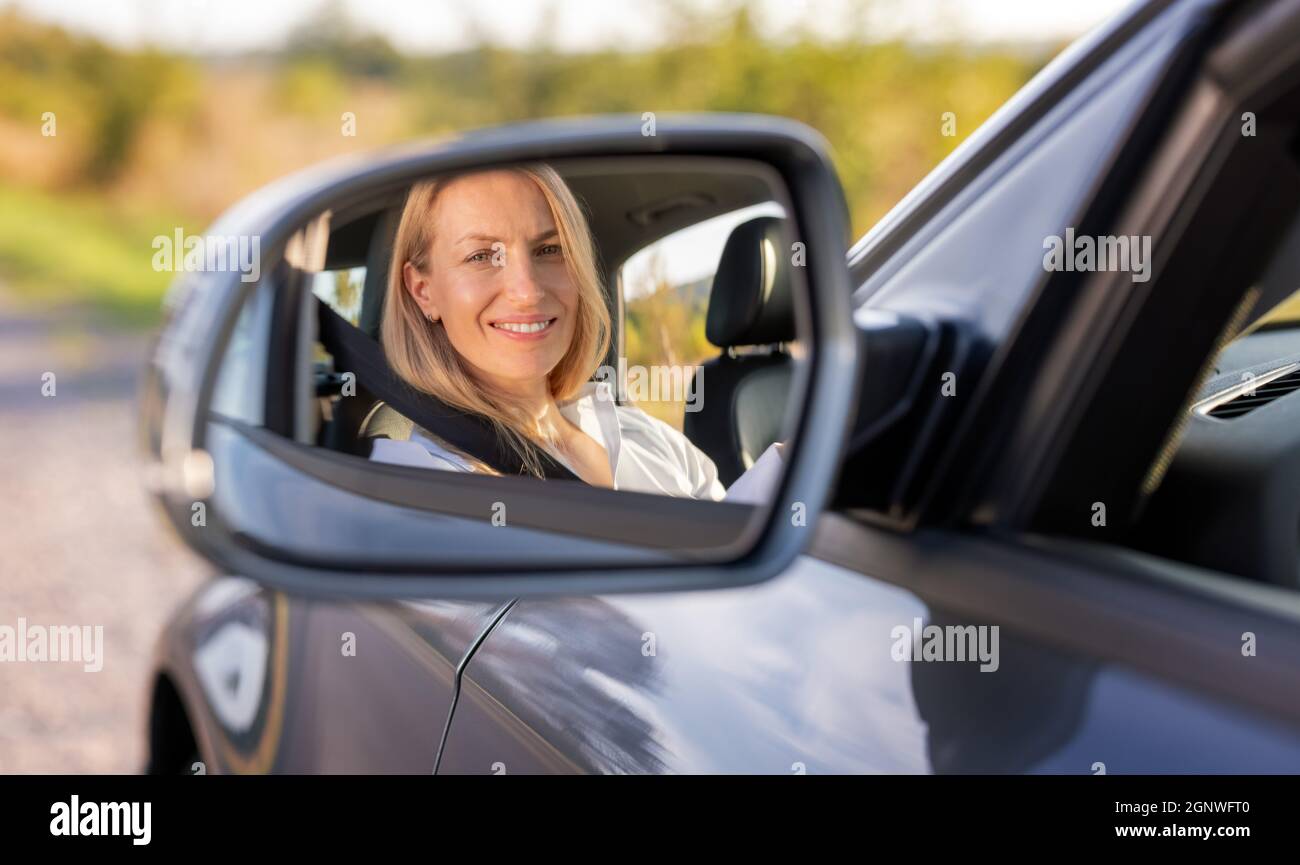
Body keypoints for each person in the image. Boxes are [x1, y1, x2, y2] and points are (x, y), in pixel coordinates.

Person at [367, 163, 784, 503]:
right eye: (481, 256)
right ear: (424, 291)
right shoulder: (417, 485)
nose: (527, 291)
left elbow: (735, 550)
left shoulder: (644, 436)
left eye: (549, 249)